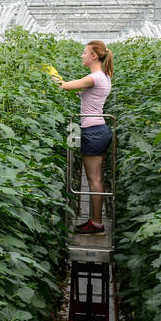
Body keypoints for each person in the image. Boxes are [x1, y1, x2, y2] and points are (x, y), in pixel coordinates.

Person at [52, 40, 113, 233]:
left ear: (94, 56)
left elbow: (64, 86)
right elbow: (81, 90)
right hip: (98, 131)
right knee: (96, 178)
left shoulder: (94, 78)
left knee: (94, 179)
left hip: (93, 132)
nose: (82, 55)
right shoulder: (103, 77)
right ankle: (95, 221)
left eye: (84, 52)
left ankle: (96, 223)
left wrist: (50, 73)